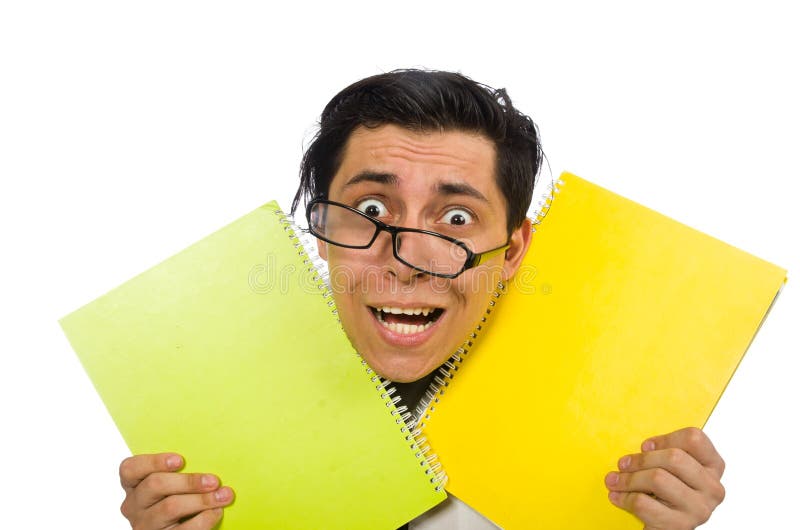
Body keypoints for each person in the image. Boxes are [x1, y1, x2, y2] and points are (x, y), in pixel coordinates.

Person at [118, 70, 726, 529]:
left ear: (513, 249)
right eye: (371, 211)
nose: (406, 263)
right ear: (321, 234)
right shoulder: (202, 417)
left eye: (456, 217)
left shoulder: (619, 430)